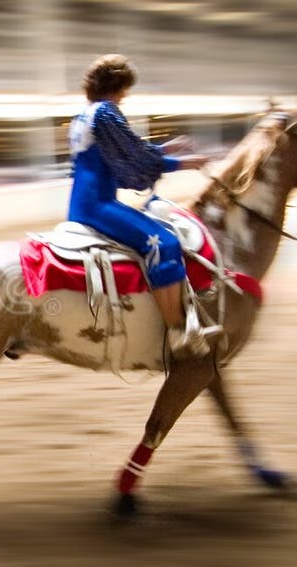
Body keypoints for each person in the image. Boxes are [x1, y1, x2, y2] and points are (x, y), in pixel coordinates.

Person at [66, 54, 212, 356]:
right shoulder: (106, 112)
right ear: (118, 86)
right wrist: (184, 163)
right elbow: (136, 158)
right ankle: (177, 330)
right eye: (125, 90)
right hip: (99, 206)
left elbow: (124, 154)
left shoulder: (82, 117)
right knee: (165, 243)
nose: (125, 96)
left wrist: (166, 149)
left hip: (82, 204)